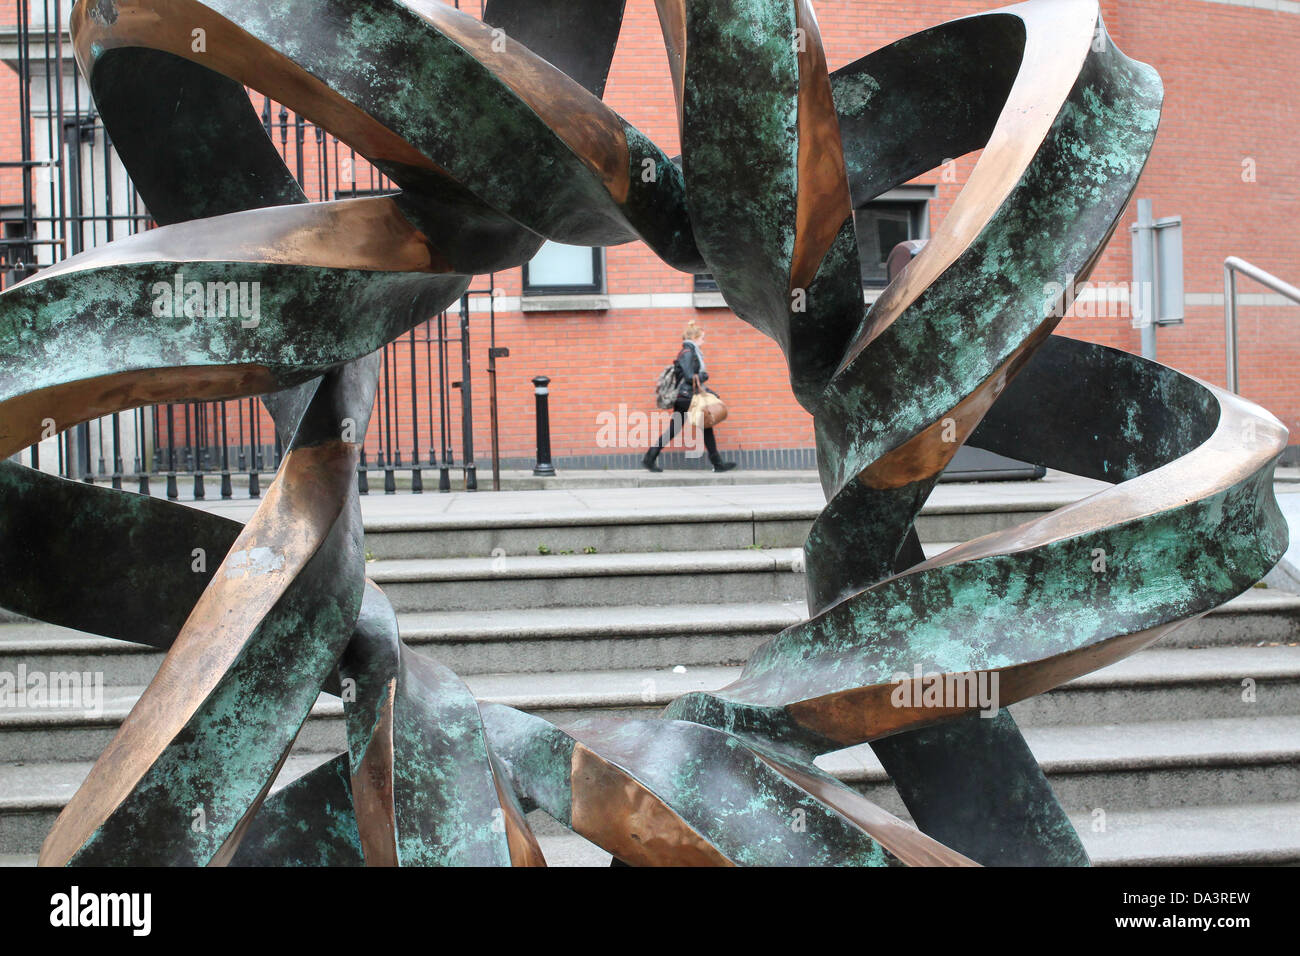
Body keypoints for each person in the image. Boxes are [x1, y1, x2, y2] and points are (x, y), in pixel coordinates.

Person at [643, 320, 737, 472]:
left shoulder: (690, 352)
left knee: (677, 428)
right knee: (706, 425)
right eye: (702, 338)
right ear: (694, 338)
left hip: (685, 396)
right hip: (687, 396)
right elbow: (688, 376)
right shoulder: (688, 352)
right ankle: (718, 464)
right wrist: (703, 375)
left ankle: (650, 457)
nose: (703, 341)